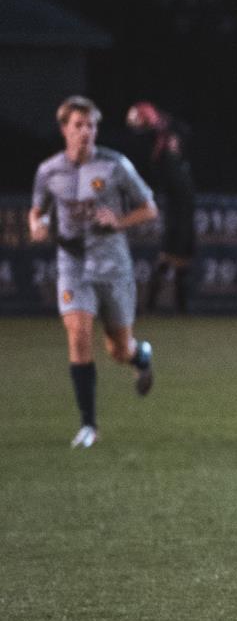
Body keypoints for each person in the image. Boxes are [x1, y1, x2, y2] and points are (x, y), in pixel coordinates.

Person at [27, 96, 159, 449]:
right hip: (72, 266)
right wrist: (36, 225)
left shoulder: (116, 166)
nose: (86, 132)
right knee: (78, 332)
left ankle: (140, 355)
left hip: (112, 265)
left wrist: (118, 221)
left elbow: (149, 209)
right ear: (64, 130)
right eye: (78, 125)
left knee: (118, 349)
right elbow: (36, 210)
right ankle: (89, 426)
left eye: (91, 125)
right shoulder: (49, 171)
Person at [127, 101, 199, 313]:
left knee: (184, 254)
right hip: (175, 205)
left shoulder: (174, 143)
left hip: (186, 204)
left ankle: (181, 305)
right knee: (168, 253)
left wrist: (161, 119)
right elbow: (156, 139)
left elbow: (182, 130)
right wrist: (153, 123)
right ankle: (150, 302)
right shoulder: (155, 149)